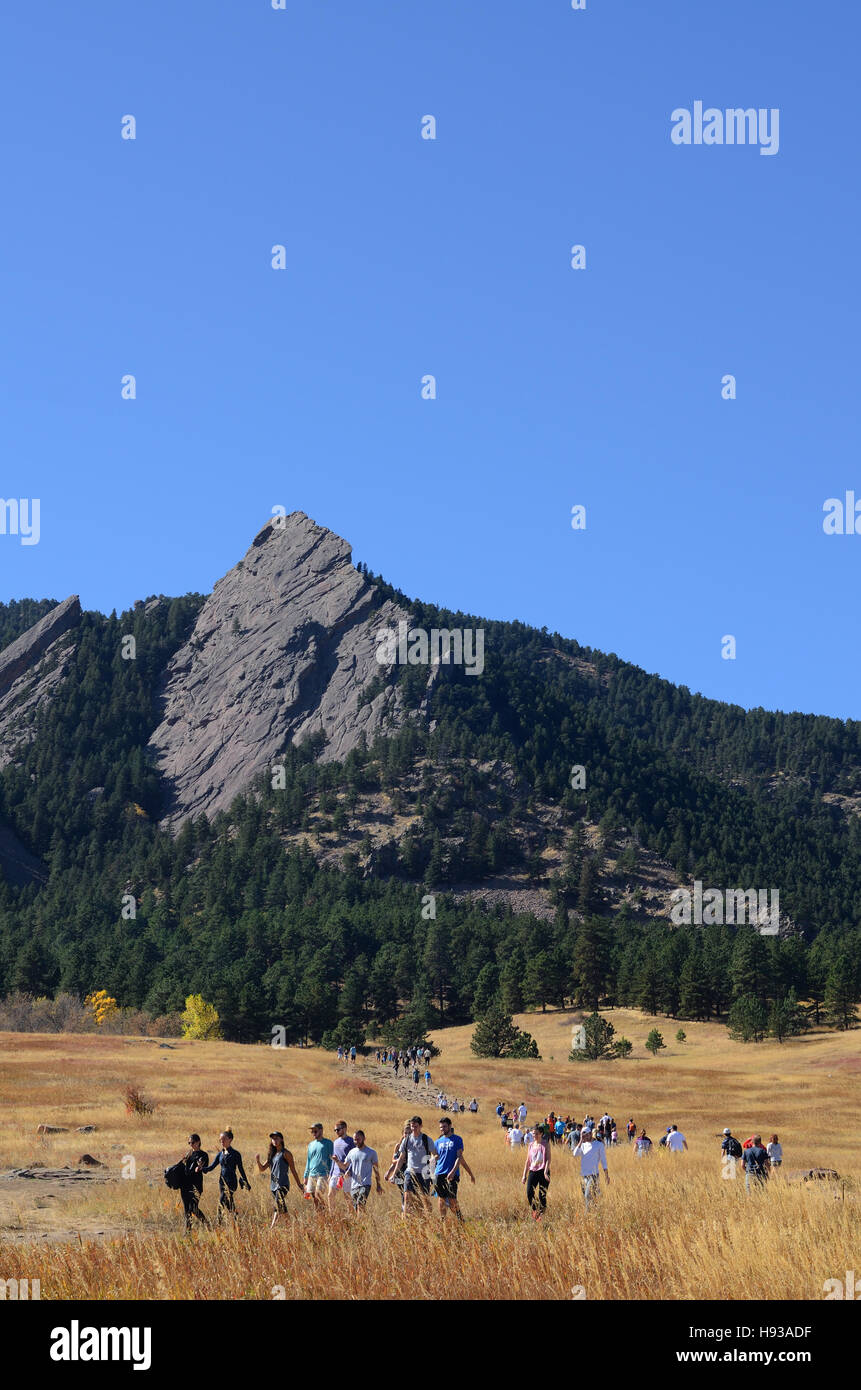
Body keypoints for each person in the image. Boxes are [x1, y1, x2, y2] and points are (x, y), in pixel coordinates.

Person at [433, 1115, 475, 1222]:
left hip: (452, 1174)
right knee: (441, 1198)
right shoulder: (437, 1142)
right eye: (441, 1127)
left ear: (450, 1126)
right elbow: (436, 1157)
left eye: (445, 1127)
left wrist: (452, 1171)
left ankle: (461, 1220)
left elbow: (459, 1157)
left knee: (452, 1199)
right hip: (439, 1173)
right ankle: (443, 1221)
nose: (442, 1129)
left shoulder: (457, 1139)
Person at [391, 1115, 435, 1216]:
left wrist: (433, 1162)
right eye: (412, 1126)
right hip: (410, 1172)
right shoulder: (406, 1140)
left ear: (420, 1126)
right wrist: (393, 1175)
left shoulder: (426, 1139)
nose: (413, 1129)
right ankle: (406, 1221)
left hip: (424, 1173)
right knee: (407, 1197)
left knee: (424, 1200)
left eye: (415, 1126)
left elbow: (435, 1154)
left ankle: (426, 1219)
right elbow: (401, 1158)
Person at [256, 1131, 301, 1228]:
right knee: (279, 1207)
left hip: (283, 1184)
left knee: (278, 1204)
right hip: (273, 1186)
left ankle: (272, 1228)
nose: (275, 1140)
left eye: (277, 1138)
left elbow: (293, 1170)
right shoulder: (272, 1155)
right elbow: (262, 1169)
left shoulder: (286, 1153)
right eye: (273, 1139)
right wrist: (258, 1161)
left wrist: (299, 1185)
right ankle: (292, 1225)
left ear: (282, 1139)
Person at [204, 1130, 250, 1221]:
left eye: (223, 1139)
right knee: (229, 1203)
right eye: (220, 1140)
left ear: (230, 1139)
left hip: (231, 1181)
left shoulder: (236, 1154)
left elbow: (241, 1169)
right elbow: (211, 1167)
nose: (221, 1141)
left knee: (221, 1201)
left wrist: (246, 1182)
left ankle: (218, 1222)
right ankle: (236, 1219)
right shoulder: (220, 1154)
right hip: (222, 1182)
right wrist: (201, 1169)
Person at [334, 1130, 382, 1212]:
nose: (356, 1141)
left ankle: (363, 1223)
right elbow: (345, 1166)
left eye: (358, 1139)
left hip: (365, 1184)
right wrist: (337, 1160)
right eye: (354, 1139)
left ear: (364, 1138)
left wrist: (378, 1185)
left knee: (360, 1204)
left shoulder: (371, 1152)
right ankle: (367, 1222)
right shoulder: (352, 1152)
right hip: (354, 1185)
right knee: (358, 1209)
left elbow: (376, 1169)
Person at [178, 1133, 210, 1232]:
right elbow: (182, 1167)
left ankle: (207, 1224)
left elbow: (205, 1170)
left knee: (193, 1207)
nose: (190, 1144)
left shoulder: (203, 1155)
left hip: (196, 1186)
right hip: (185, 1185)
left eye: (192, 1142)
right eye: (189, 1142)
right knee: (187, 1210)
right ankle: (187, 1231)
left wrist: (200, 1167)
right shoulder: (189, 1154)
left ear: (198, 1142)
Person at [571, 1128, 609, 1210]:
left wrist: (606, 1175)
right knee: (588, 1196)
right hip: (583, 1175)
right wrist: (581, 1140)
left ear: (590, 1133)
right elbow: (575, 1154)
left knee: (587, 1195)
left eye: (586, 1134)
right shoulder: (583, 1145)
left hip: (594, 1175)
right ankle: (596, 1210)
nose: (585, 1136)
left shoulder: (599, 1145)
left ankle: (587, 1214)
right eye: (583, 1135)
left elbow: (603, 1161)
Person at [522, 1123, 551, 1220]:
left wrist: (546, 1172)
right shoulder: (530, 1145)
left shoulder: (545, 1144)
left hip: (543, 1171)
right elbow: (528, 1160)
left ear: (541, 1134)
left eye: (537, 1134)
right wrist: (524, 1175)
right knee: (529, 1192)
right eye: (533, 1134)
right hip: (533, 1171)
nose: (534, 1136)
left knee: (542, 1195)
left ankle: (542, 1215)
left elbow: (548, 1159)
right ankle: (535, 1210)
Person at [303, 1122, 334, 1213]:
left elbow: (331, 1159)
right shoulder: (311, 1144)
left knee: (318, 1195)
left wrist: (330, 1174)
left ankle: (325, 1214)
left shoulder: (328, 1143)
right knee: (313, 1198)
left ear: (321, 1130)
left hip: (323, 1174)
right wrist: (306, 1175)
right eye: (312, 1131)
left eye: (315, 1131)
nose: (313, 1133)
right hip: (312, 1175)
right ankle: (320, 1215)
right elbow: (308, 1160)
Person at [328, 1119, 355, 1210]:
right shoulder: (335, 1142)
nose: (336, 1132)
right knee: (330, 1195)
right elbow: (333, 1159)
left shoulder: (351, 1141)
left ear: (344, 1129)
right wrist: (331, 1174)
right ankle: (332, 1215)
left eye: (338, 1130)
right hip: (335, 1173)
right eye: (335, 1130)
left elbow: (354, 1158)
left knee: (347, 1198)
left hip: (346, 1174)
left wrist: (349, 1171)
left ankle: (352, 1217)